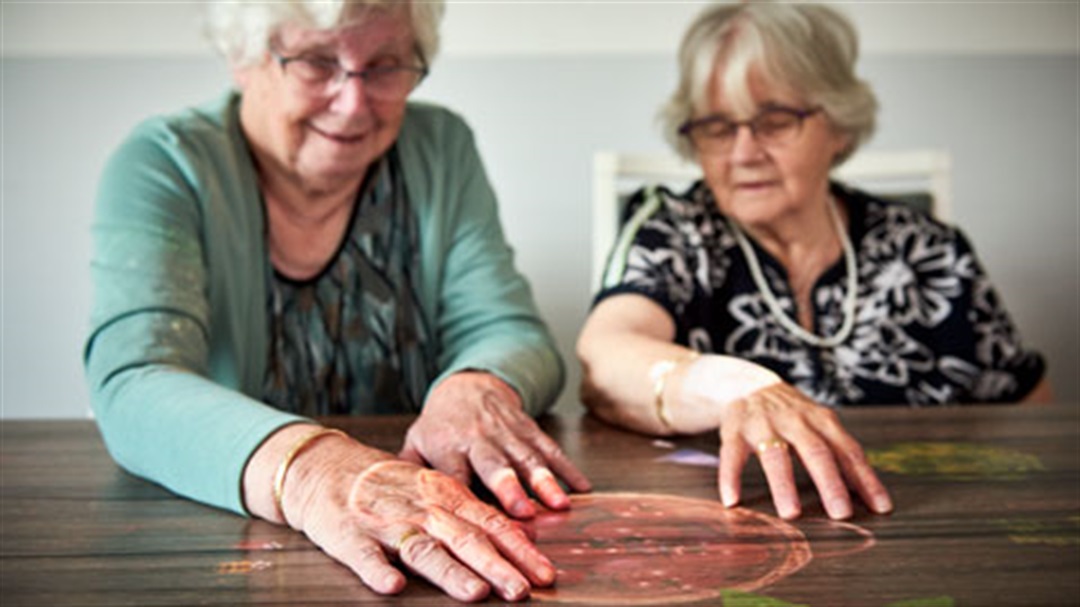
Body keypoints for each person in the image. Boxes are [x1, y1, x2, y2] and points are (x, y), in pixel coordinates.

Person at [84, 1, 591, 602]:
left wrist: (477, 383)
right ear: (245, 60)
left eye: (385, 65)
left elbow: (509, 329)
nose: (353, 102)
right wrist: (311, 470)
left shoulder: (440, 146)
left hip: (429, 527)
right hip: (235, 546)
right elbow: (134, 380)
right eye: (316, 62)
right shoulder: (167, 162)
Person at [577, 2, 1051, 523]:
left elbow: (1031, 421)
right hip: (743, 527)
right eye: (716, 126)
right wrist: (736, 386)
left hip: (924, 522)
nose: (743, 153)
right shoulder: (675, 232)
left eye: (774, 121)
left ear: (839, 126)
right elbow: (606, 356)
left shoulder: (928, 249)